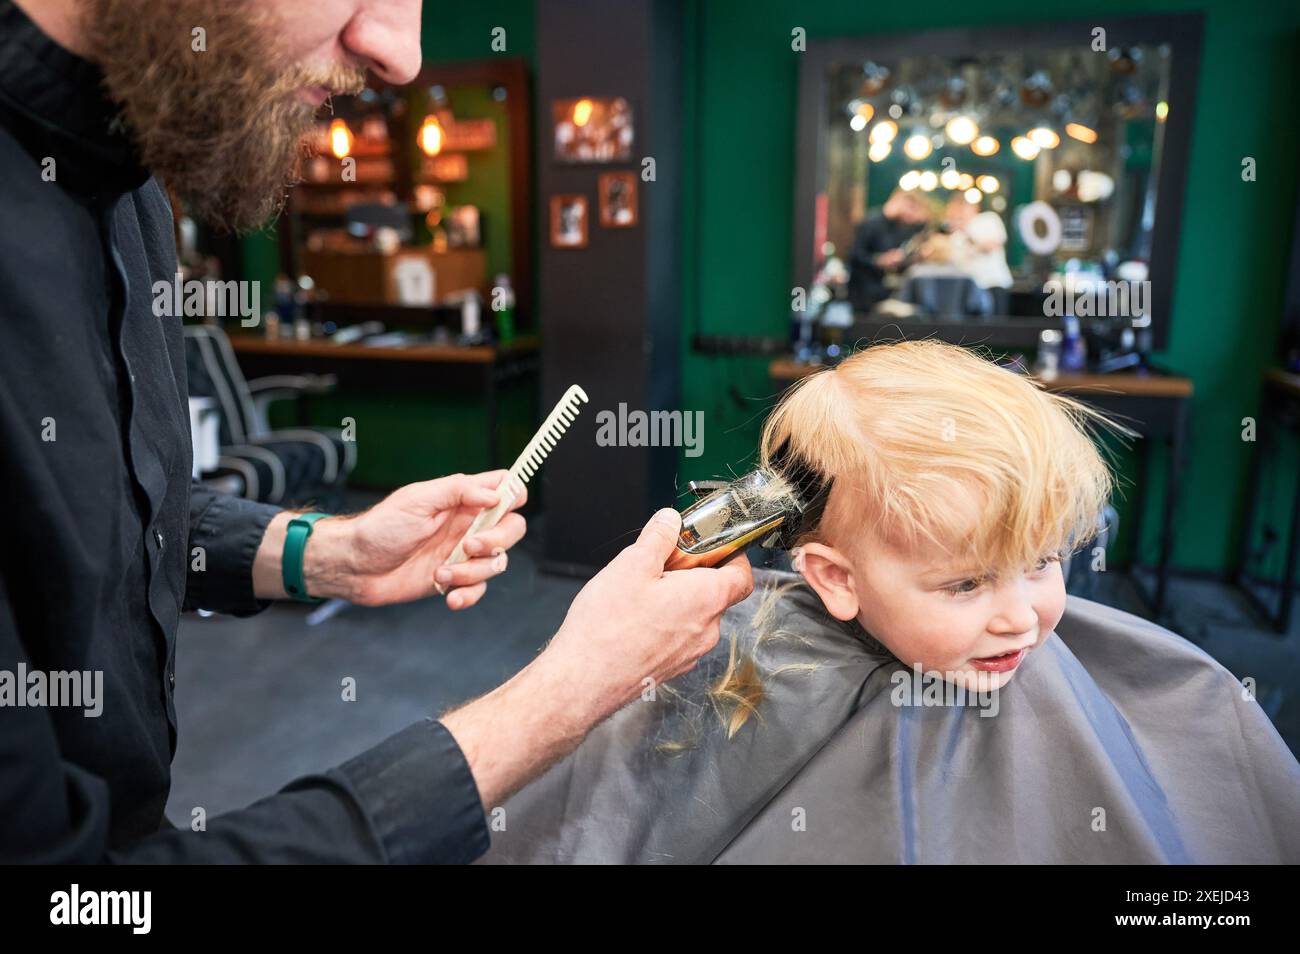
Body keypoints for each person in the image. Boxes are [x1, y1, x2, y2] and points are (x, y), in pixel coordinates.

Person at [0, 0, 753, 863]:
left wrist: (332, 553)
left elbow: (116, 510)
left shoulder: (131, 187)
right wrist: (569, 690)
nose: (400, 53)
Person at [482, 341, 1300, 863]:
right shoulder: (737, 651)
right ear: (834, 577)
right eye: (967, 583)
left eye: (1046, 561)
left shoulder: (1118, 672)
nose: (1022, 617)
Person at [846, 189, 932, 310]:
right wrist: (879, 260)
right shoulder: (871, 222)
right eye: (912, 208)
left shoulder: (898, 226)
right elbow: (854, 255)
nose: (911, 216)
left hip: (882, 291)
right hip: (862, 293)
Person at [944, 193, 1013, 290]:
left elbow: (991, 246)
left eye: (962, 208)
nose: (959, 212)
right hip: (968, 287)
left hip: (992, 283)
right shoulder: (954, 235)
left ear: (974, 207)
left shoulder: (988, 219)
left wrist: (966, 233)